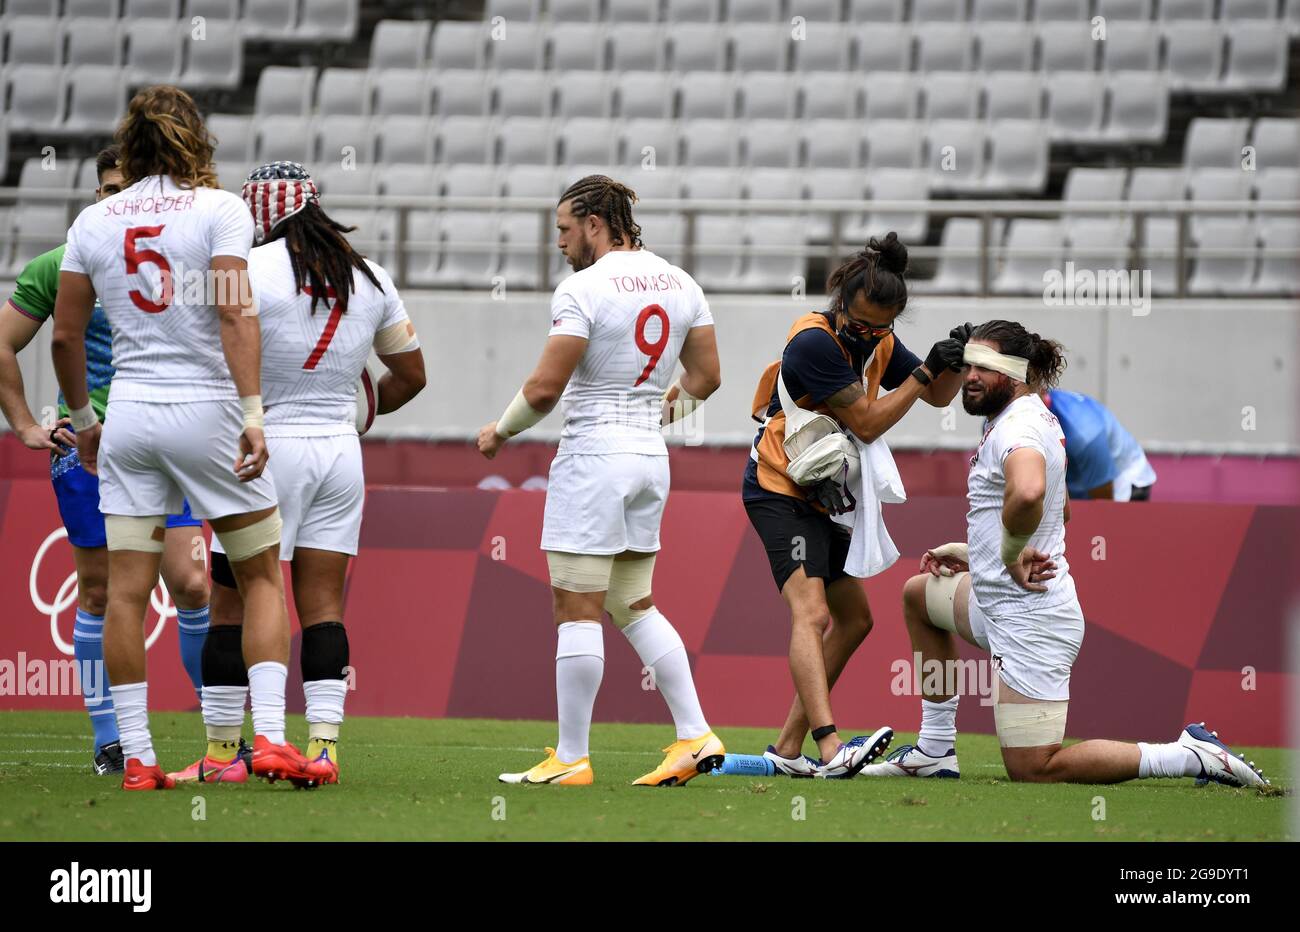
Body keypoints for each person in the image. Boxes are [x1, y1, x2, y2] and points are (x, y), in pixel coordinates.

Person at [50, 85, 320, 790]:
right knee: (260, 573)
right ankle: (270, 742)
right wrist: (255, 413)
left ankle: (137, 759)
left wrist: (83, 424)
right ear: (196, 139)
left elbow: (66, 335)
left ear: (130, 146)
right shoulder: (220, 210)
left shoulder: (94, 220)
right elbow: (236, 316)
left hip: (130, 419)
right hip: (206, 412)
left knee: (126, 593)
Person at [862, 320, 1266, 788]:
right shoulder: (1025, 416)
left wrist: (1010, 553)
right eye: (967, 364)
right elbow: (1063, 508)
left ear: (1013, 374)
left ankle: (1188, 755)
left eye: (983, 367)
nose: (969, 375)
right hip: (997, 603)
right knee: (919, 596)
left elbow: (1031, 493)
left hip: (1032, 620)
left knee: (1035, 768)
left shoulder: (1019, 427)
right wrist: (980, 554)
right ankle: (934, 751)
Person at [172, 161, 426, 785]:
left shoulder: (246, 271)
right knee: (323, 608)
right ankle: (324, 750)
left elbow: (206, 353)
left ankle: (225, 754)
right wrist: (359, 408)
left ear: (259, 209)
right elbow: (412, 376)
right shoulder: (370, 276)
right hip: (340, 452)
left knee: (232, 604)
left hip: (264, 450)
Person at [478, 174, 725, 787]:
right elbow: (707, 377)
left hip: (594, 456)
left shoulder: (582, 289)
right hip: (648, 453)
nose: (559, 242)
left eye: (564, 229)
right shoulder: (682, 282)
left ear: (594, 223)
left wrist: (500, 433)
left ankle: (571, 758)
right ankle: (694, 735)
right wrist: (653, 414)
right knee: (633, 602)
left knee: (576, 608)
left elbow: (542, 389)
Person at [0, 145, 210, 776]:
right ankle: (110, 742)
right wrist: (27, 425)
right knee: (99, 592)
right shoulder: (60, 265)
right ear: (97, 196)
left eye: (131, 188)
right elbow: (5, 346)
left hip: (170, 441)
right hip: (92, 449)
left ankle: (222, 739)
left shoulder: (182, 258)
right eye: (110, 189)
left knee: (195, 585)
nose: (120, 199)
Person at [742, 234, 967, 777]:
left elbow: (937, 397)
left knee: (856, 619)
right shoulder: (814, 343)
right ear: (839, 302)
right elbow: (867, 421)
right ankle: (829, 746)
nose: (867, 336)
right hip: (779, 490)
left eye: (880, 328)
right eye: (860, 324)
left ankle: (787, 751)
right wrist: (923, 371)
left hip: (825, 499)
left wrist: (950, 362)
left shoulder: (880, 341)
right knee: (812, 613)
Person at [1041, 389, 1157, 501]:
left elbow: (1103, 505)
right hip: (1080, 467)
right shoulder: (1040, 397)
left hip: (1123, 481)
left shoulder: (1084, 436)